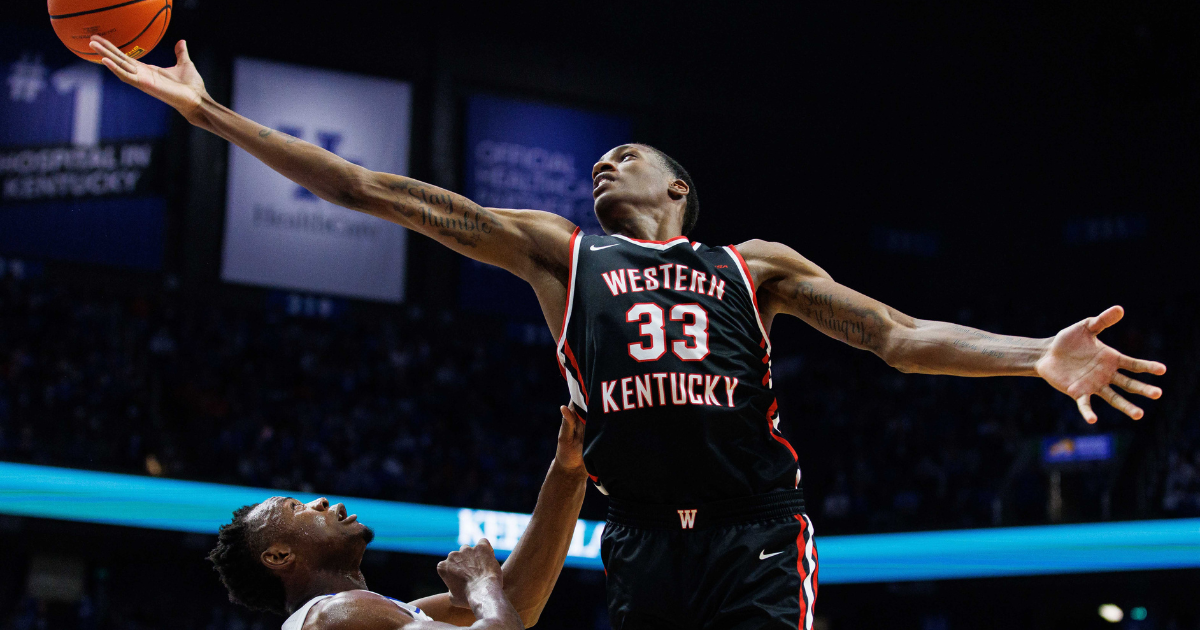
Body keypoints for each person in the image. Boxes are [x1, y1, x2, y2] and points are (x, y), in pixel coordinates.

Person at [92, 36, 1168, 629]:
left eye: (629, 156)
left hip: (752, 529)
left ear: (679, 188)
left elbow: (895, 335)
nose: (604, 163)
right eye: (597, 161)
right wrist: (209, 115)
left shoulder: (758, 267)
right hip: (641, 538)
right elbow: (370, 187)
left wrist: (1031, 351)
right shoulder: (559, 254)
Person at [206, 406, 589, 629]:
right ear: (278, 556)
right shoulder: (338, 615)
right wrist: (481, 585)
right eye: (296, 508)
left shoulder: (365, 613)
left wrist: (569, 468)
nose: (319, 501)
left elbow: (518, 604)